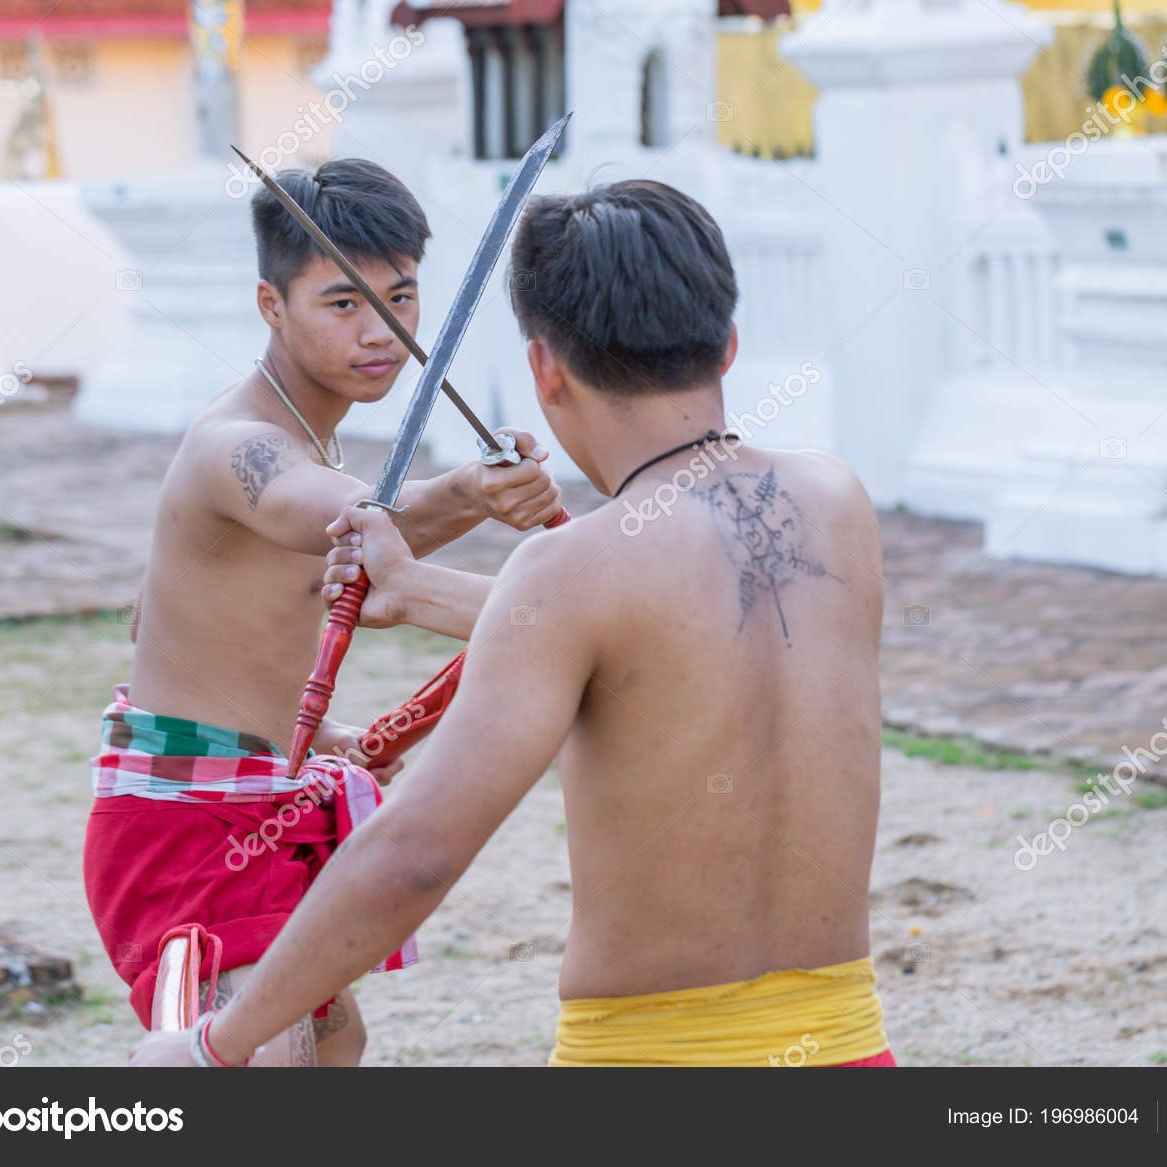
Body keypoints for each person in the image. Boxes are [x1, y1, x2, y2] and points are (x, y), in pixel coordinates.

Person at [130, 179, 889, 1068]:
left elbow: (415, 853)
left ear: (544, 370)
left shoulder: (571, 576)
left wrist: (216, 1045)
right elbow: (657, 636)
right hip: (848, 1054)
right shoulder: (839, 505)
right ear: (728, 344)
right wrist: (415, 590)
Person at [86, 157, 563, 1066]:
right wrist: (470, 501)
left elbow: (343, 539)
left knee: (333, 1040)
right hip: (184, 829)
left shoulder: (307, 434)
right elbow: (342, 516)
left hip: (253, 787)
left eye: (400, 296)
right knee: (271, 1054)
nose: (381, 330)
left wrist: (472, 487)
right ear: (272, 305)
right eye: (342, 303)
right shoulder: (241, 448)